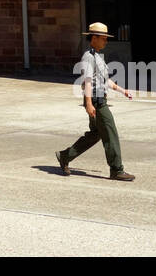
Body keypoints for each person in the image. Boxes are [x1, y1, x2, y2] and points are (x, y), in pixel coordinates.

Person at [56, 22, 135, 181]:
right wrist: (89, 103)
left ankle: (65, 156)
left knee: (95, 135)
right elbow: (87, 82)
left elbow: (104, 81)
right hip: (97, 102)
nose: (106, 41)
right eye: (103, 38)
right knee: (110, 132)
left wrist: (122, 91)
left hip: (99, 99)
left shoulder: (98, 56)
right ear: (94, 38)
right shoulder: (88, 57)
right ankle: (116, 169)